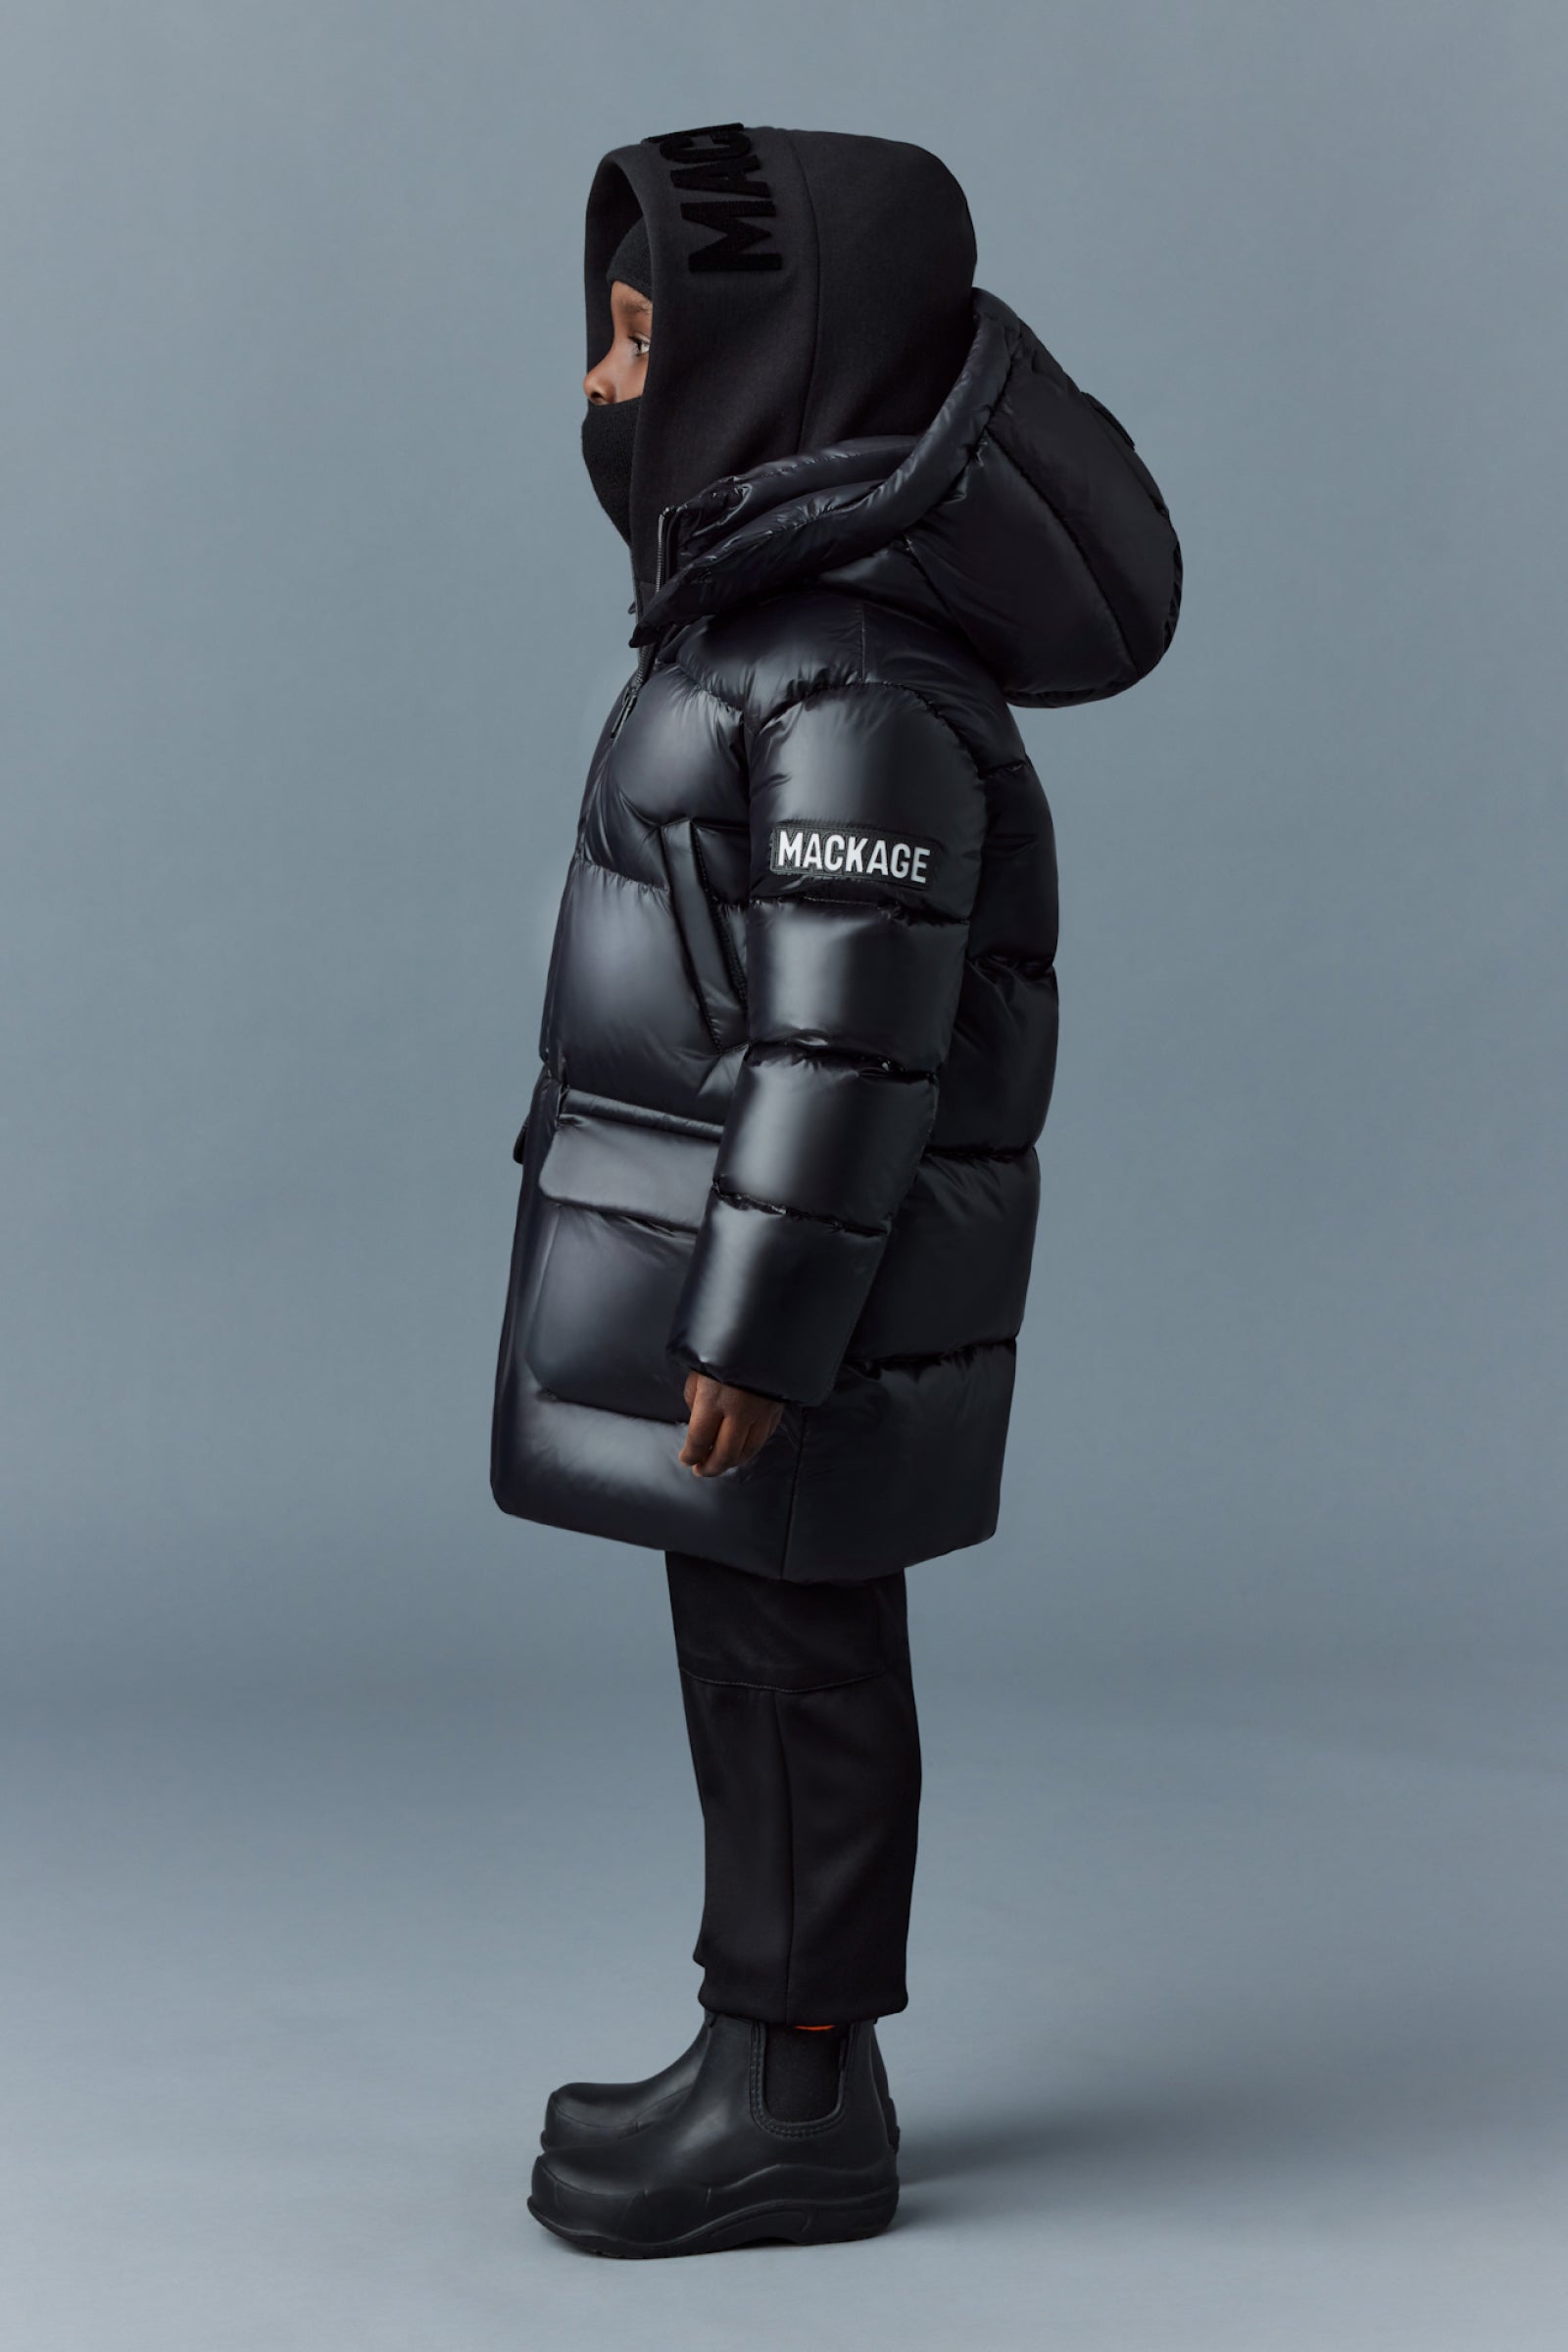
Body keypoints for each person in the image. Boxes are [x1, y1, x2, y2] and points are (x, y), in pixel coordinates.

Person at [491, 120, 1181, 2258]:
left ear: (770, 361)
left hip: (788, 1318)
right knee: (756, 1658)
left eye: (639, 339)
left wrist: (758, 1327)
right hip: (747, 1296)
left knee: (797, 1671)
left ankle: (794, 2090)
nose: (602, 382)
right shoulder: (770, 629)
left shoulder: (852, 682)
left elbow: (850, 1044)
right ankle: (765, 2050)